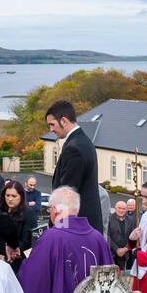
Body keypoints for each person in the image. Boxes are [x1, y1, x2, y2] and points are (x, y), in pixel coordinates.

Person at [46, 99, 102, 233]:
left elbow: (66, 193)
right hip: (86, 224)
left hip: (77, 227)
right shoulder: (83, 141)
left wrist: (53, 224)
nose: (51, 129)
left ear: (64, 121)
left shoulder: (74, 149)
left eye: (52, 124)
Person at [0, 179, 31, 273]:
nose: (10, 199)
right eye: (7, 195)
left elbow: (27, 240)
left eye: (14, 196)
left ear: (21, 197)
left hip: (17, 260)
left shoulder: (28, 213)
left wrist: (12, 253)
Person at [107, 200, 135, 270]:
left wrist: (125, 248)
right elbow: (107, 236)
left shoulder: (130, 220)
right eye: (119, 208)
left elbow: (131, 237)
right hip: (111, 252)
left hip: (124, 254)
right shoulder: (109, 219)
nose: (121, 210)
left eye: (123, 209)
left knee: (122, 274)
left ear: (126, 210)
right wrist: (116, 249)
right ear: (115, 208)